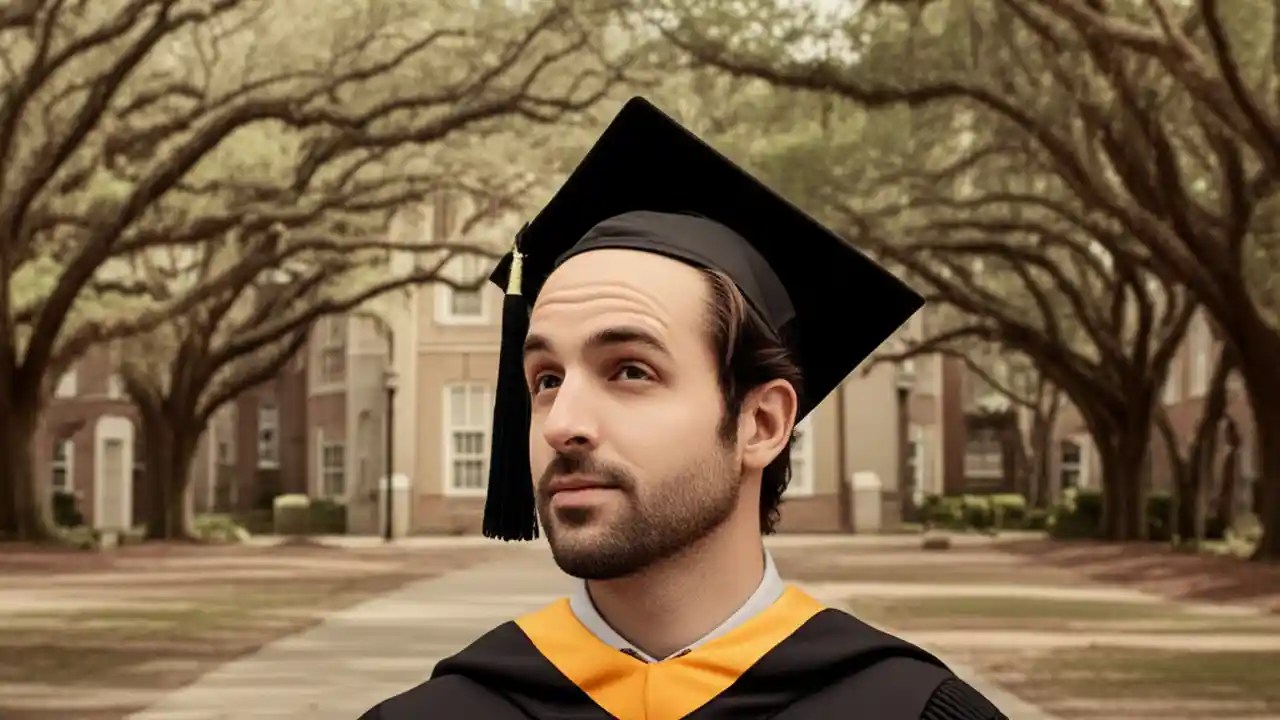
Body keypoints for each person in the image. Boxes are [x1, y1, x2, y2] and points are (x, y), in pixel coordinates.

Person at [360, 97, 1007, 719]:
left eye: (630, 370)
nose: (561, 424)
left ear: (762, 424)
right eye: (547, 378)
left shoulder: (910, 712)